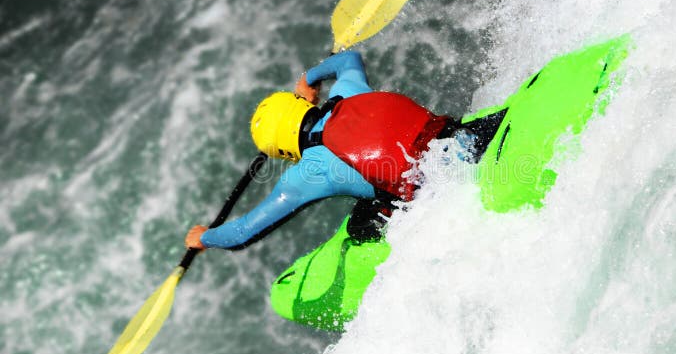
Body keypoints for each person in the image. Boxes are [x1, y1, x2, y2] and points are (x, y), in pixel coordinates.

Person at [184, 51, 505, 252]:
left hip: (439, 192)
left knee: (359, 225)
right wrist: (309, 78)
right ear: (303, 105)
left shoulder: (304, 175)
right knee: (432, 140)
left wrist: (205, 237)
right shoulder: (347, 91)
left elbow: (242, 232)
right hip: (462, 139)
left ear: (284, 150)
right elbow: (348, 58)